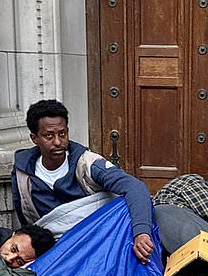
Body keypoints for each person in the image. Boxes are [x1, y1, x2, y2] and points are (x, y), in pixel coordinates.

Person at [12, 98, 157, 261]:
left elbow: (134, 187)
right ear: (34, 138)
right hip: (53, 252)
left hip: (96, 243)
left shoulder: (87, 163)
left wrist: (141, 233)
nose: (58, 142)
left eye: (62, 134)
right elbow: (26, 221)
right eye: (49, 136)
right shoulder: (22, 173)